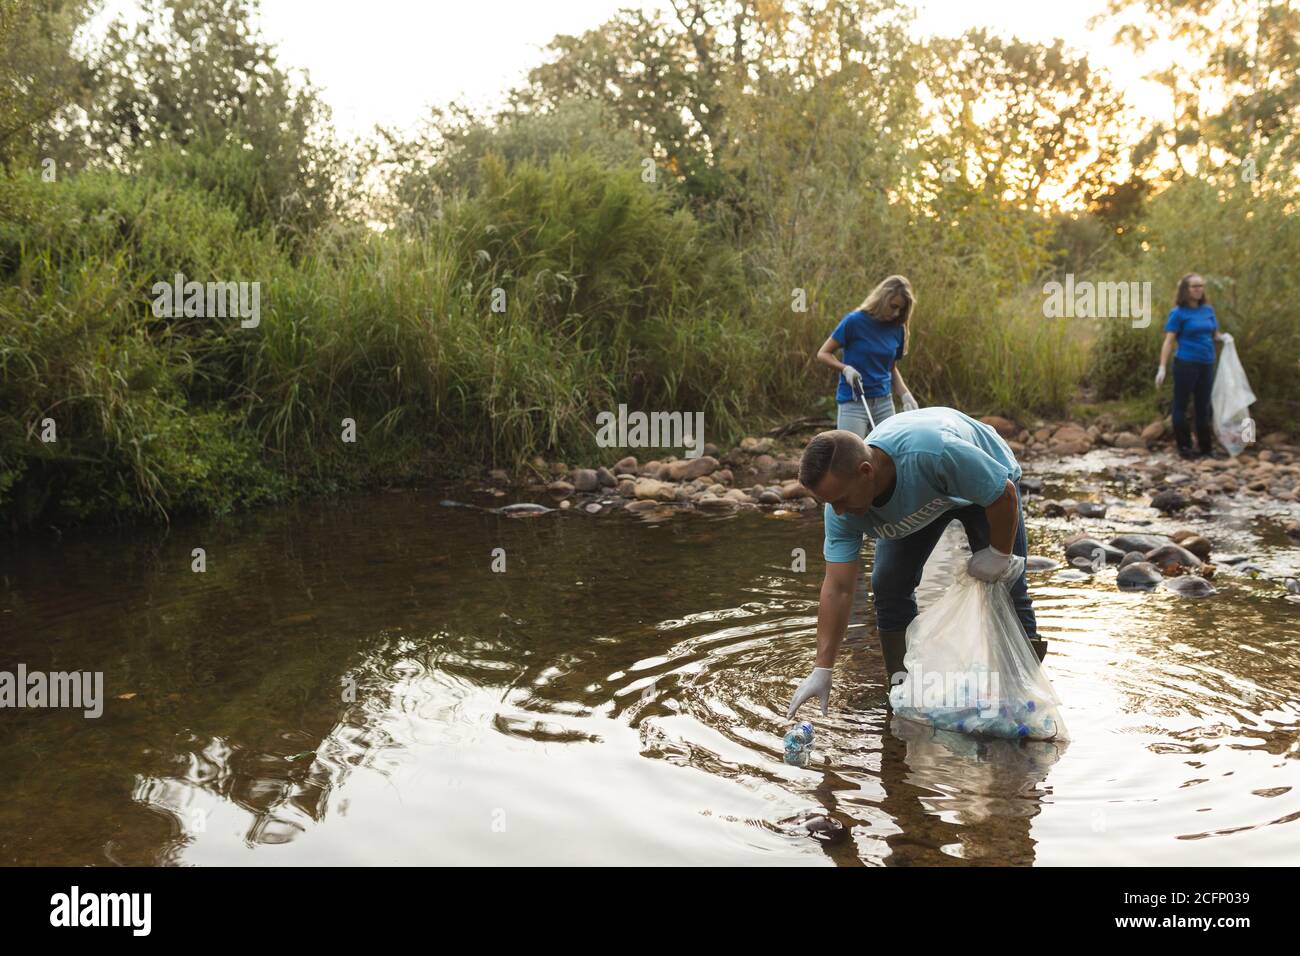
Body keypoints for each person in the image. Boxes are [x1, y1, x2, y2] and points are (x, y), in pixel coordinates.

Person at [785, 407, 1045, 719]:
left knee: (1007, 586)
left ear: (866, 472)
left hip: (981, 490)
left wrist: (1000, 555)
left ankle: (1023, 694)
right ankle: (904, 693)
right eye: (829, 503)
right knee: (888, 586)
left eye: (841, 499)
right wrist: (822, 667)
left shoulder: (933, 452)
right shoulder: (840, 509)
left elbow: (1003, 494)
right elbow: (838, 588)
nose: (838, 512)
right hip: (920, 504)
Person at [815, 275, 919, 438]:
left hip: (884, 402)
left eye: (901, 309)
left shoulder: (897, 328)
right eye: (893, 306)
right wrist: (845, 369)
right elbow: (823, 353)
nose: (896, 313)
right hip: (854, 401)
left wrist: (905, 395)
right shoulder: (854, 322)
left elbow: (891, 367)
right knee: (852, 455)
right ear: (883, 298)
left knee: (888, 454)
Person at [1155, 272, 1233, 459]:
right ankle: (1185, 448)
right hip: (1185, 363)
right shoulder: (1178, 313)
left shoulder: (1208, 310)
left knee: (1203, 406)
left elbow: (1213, 334)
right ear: (1186, 290)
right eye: (1194, 286)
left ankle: (1206, 448)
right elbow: (1169, 341)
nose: (1199, 289)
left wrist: (1224, 338)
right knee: (1181, 405)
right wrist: (1162, 367)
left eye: (1201, 286)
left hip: (1207, 363)